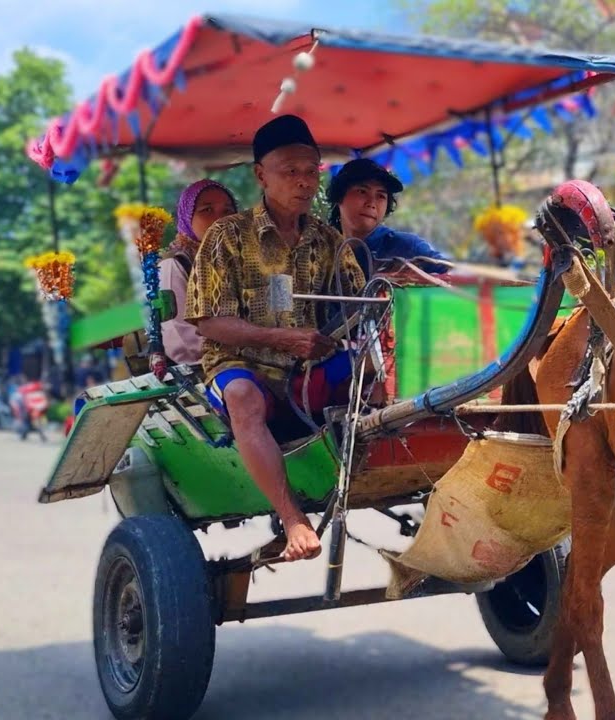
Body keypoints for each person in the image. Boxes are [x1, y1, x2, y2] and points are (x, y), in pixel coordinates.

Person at [185, 114, 367, 562]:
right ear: (260, 175)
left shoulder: (329, 239)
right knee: (244, 397)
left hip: (308, 372)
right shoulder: (227, 236)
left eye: (311, 172)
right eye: (290, 172)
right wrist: (284, 339)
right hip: (241, 368)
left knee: (380, 371)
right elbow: (207, 322)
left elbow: (360, 306)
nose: (304, 183)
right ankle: (292, 518)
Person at [326, 158, 449, 276]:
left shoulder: (407, 247)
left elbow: (454, 276)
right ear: (339, 196)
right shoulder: (324, 249)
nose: (371, 203)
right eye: (362, 191)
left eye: (381, 196)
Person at [161, 179, 239, 365]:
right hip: (205, 370)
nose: (220, 219)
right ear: (187, 217)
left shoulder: (242, 258)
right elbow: (181, 338)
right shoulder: (175, 264)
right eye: (207, 210)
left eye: (227, 210)